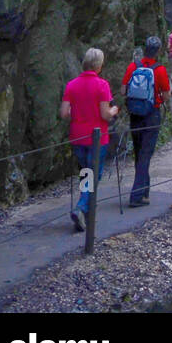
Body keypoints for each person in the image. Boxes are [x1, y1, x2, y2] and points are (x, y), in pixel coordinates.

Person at [60, 48, 118, 233]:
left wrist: (76, 113)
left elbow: (64, 113)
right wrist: (114, 110)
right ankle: (81, 208)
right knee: (95, 174)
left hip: (77, 135)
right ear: (99, 66)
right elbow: (105, 114)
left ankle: (86, 209)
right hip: (97, 137)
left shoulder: (72, 85)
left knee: (86, 171)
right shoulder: (102, 85)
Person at [122, 35, 170, 207]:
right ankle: (136, 196)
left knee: (140, 153)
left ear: (144, 48)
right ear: (158, 51)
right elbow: (166, 96)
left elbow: (123, 90)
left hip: (135, 115)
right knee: (145, 155)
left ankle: (145, 192)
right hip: (151, 115)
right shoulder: (160, 70)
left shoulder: (133, 66)